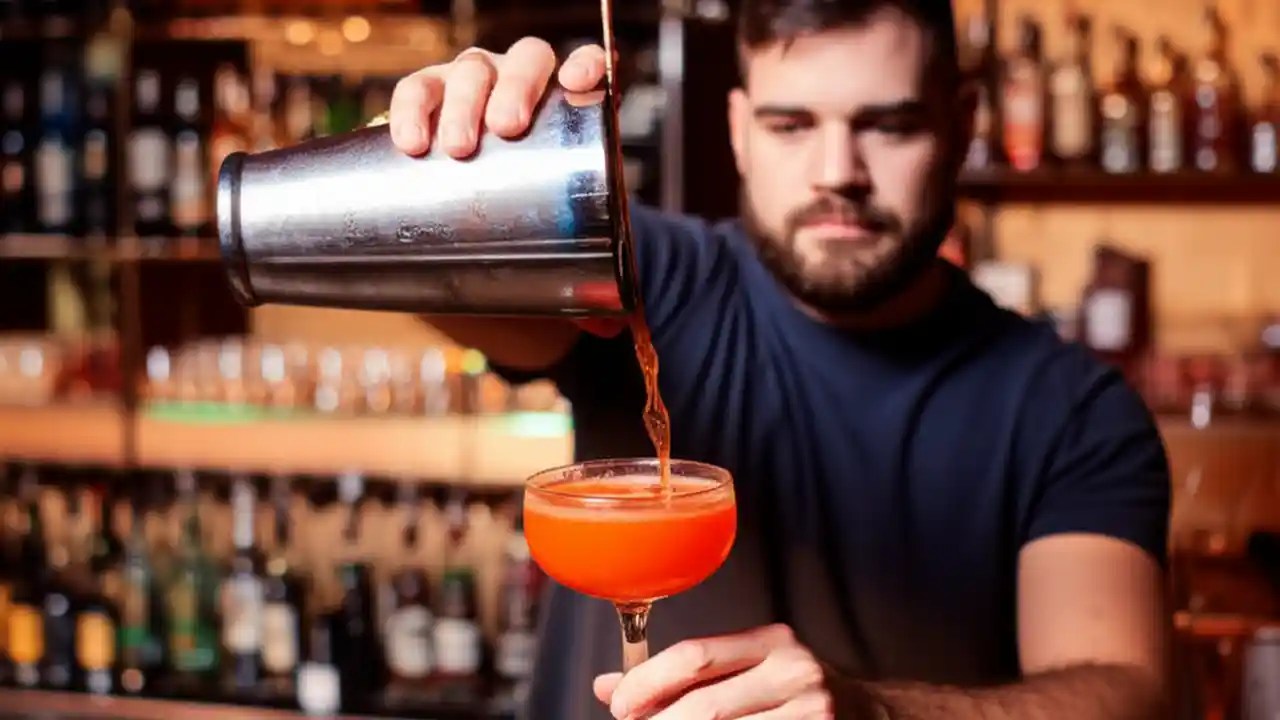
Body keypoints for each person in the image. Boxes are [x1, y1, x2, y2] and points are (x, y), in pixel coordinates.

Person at [388, 0, 1171, 717]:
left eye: (889, 126)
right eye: (791, 125)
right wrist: (443, 161)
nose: (837, 173)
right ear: (739, 129)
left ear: (961, 124)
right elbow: (434, 269)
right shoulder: (645, 280)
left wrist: (876, 713)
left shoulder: (1074, 409)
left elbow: (1124, 691)